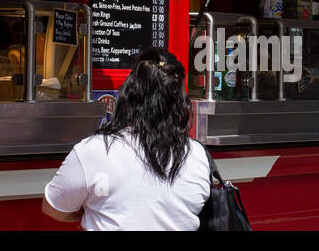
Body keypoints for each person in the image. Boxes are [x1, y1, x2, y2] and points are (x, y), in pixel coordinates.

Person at [42, 48, 211, 230]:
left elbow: (54, 208)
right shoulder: (197, 155)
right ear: (180, 100)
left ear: (129, 95)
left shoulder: (94, 151)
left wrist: (90, 209)